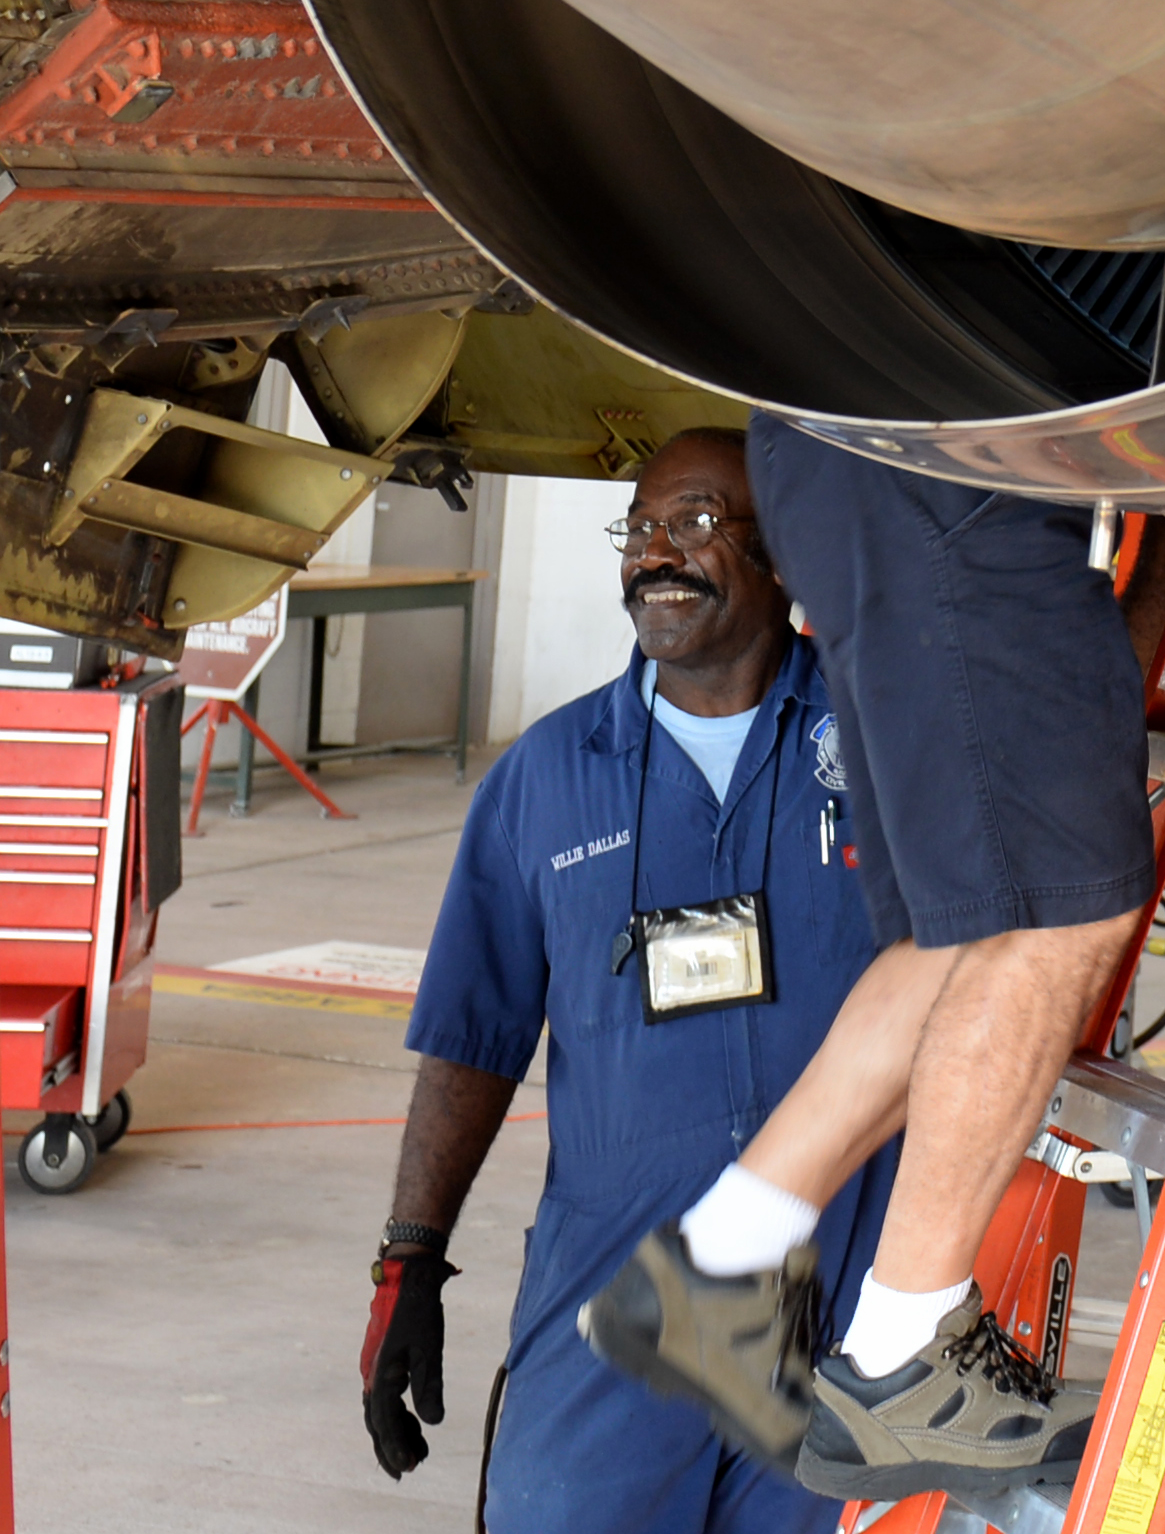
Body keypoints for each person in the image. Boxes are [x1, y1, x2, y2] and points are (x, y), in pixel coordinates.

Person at [580, 424, 1152, 1508]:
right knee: (1053, 917)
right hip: (954, 468)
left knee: (966, 930)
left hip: (860, 460)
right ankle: (905, 1356)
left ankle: (721, 1264)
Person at [364, 425, 894, 1528]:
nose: (656, 554)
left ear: (784, 552)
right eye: (639, 528)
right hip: (615, 1293)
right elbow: (472, 1037)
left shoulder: (884, 742)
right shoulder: (545, 779)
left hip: (840, 1302)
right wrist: (409, 1257)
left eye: (695, 523)